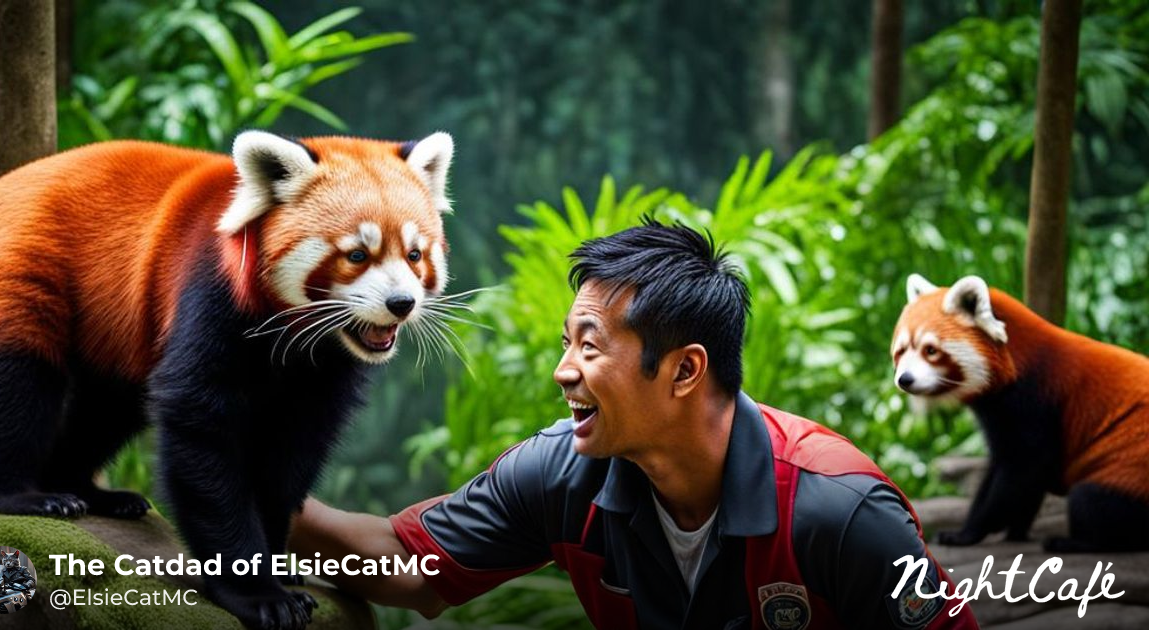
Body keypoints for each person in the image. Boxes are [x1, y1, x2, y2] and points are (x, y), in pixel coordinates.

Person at [289, 219, 978, 629]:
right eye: (566, 343)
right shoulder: (561, 474)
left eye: (589, 346)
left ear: (685, 371)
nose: (563, 370)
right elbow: (408, 566)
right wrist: (256, 495)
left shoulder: (840, 513)